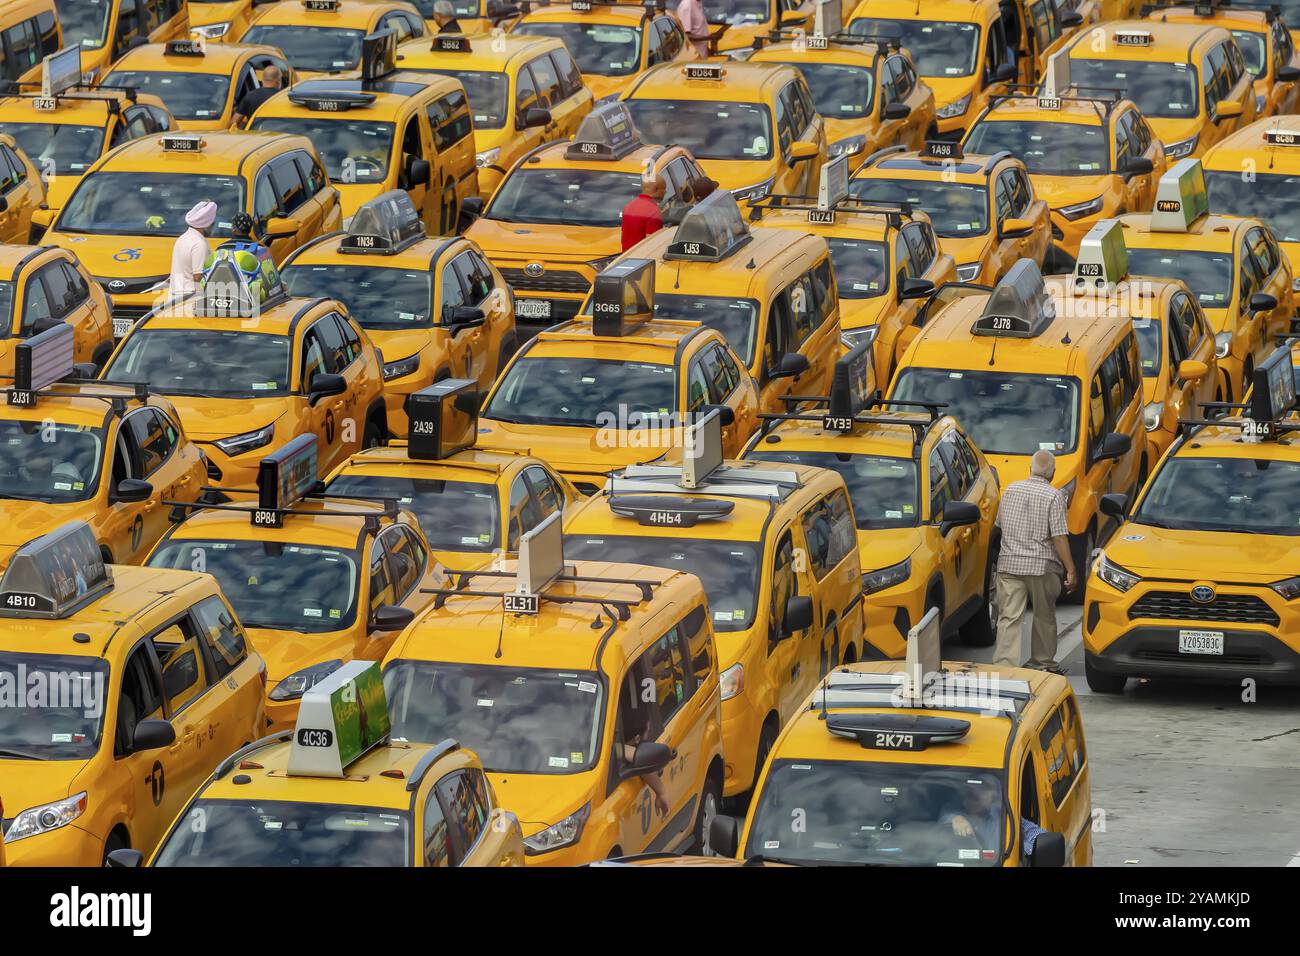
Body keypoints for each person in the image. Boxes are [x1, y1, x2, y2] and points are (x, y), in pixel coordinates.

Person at [991, 450, 1077, 672]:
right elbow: (1059, 537)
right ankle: (1042, 662)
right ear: (1053, 473)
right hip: (1041, 566)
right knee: (1043, 614)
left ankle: (1004, 667)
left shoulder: (1009, 490)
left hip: (1009, 563)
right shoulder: (1054, 496)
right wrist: (1071, 570)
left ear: (1030, 469)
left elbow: (999, 526)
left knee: (1009, 616)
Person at [170, 200, 217, 298]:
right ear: (207, 224)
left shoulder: (182, 238)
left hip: (176, 294)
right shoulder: (199, 244)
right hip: (189, 296)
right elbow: (198, 276)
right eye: (212, 222)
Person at [621, 174, 665, 251]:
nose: (665, 192)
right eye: (664, 188)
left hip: (626, 259)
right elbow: (652, 244)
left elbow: (622, 238)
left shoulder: (628, 206)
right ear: (657, 190)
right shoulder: (653, 211)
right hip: (643, 260)